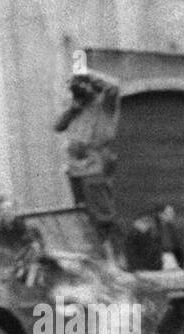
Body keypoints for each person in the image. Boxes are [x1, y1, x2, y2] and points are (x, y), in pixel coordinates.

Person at [54, 69, 121, 252]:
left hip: (95, 166)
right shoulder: (76, 107)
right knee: (83, 213)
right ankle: (95, 254)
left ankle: (112, 257)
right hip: (76, 168)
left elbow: (115, 86)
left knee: (103, 215)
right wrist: (73, 108)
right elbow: (58, 126)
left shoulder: (104, 103)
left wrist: (90, 76)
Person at [154, 203, 184, 269]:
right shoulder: (154, 228)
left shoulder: (172, 227)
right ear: (160, 215)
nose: (172, 215)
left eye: (172, 213)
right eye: (169, 213)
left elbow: (177, 248)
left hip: (171, 259)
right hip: (159, 261)